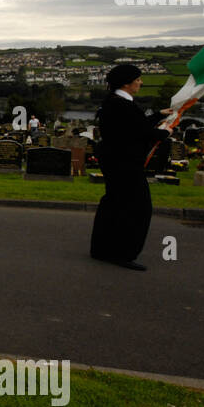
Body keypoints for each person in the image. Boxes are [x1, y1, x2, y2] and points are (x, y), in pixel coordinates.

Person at [89, 64, 172, 271]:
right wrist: (165, 133)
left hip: (115, 161)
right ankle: (122, 252)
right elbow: (137, 132)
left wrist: (159, 115)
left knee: (114, 203)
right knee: (137, 207)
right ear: (126, 83)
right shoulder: (121, 105)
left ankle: (101, 249)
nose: (141, 83)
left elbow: (135, 125)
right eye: (138, 79)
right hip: (124, 164)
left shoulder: (115, 102)